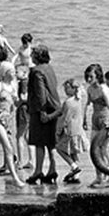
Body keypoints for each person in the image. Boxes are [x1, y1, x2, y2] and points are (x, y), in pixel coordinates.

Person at [25, 46, 61, 184]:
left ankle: (38, 171)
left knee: (39, 142)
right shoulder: (49, 68)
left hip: (42, 109)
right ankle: (52, 169)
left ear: (37, 57)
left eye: (33, 54)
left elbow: (40, 93)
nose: (31, 57)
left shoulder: (36, 71)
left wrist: (41, 111)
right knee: (50, 142)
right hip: (54, 107)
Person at [54, 78, 86, 184]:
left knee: (59, 149)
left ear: (73, 89)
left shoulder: (68, 102)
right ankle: (76, 175)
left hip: (69, 131)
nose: (65, 90)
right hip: (78, 130)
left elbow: (65, 119)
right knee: (73, 152)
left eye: (67, 88)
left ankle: (74, 166)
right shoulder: (78, 100)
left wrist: (58, 132)